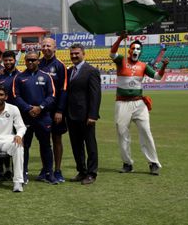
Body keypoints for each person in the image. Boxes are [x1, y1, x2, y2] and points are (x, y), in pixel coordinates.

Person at [111, 32, 169, 175]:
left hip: (139, 104)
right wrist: (120, 38)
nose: (135, 51)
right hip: (122, 103)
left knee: (146, 132)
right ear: (129, 50)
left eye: (138, 49)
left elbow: (158, 76)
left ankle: (153, 163)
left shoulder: (143, 66)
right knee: (121, 132)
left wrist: (164, 66)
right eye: (133, 48)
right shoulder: (121, 61)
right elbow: (112, 53)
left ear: (141, 52)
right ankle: (127, 163)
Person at [12, 50, 57, 184]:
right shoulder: (19, 77)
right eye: (28, 60)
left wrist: (40, 107)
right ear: (25, 61)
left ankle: (49, 173)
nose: (31, 62)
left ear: (38, 60)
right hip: (26, 118)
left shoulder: (46, 76)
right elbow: (16, 96)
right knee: (24, 146)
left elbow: (52, 95)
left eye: (33, 60)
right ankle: (23, 174)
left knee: (46, 146)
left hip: (43, 117)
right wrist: (28, 108)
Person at [62, 44, 101, 184]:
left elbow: (95, 95)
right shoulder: (70, 71)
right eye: (72, 54)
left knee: (90, 145)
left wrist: (93, 115)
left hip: (86, 116)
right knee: (76, 145)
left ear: (84, 54)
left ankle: (91, 173)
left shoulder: (91, 71)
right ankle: (81, 171)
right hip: (71, 115)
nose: (74, 56)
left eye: (76, 53)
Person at [38, 37, 69, 182]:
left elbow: (63, 90)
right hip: (41, 110)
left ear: (55, 48)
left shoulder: (60, 66)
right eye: (43, 45)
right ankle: (46, 169)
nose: (46, 48)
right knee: (44, 141)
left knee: (56, 139)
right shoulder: (38, 64)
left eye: (48, 45)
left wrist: (60, 110)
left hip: (55, 110)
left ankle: (57, 170)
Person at [0, 49, 20, 179]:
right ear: (3, 61)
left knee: (13, 140)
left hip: (15, 113)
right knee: (0, 138)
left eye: (11, 60)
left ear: (15, 60)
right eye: (6, 60)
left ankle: (10, 169)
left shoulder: (20, 75)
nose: (8, 62)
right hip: (0, 113)